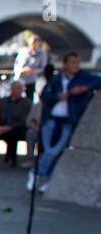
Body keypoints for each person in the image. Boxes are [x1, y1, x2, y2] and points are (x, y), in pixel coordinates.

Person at [29, 51, 101, 191]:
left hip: (68, 121)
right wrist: (58, 96)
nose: (75, 65)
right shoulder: (56, 79)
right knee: (48, 150)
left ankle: (39, 174)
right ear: (65, 64)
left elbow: (98, 80)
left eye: (77, 63)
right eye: (72, 63)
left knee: (57, 151)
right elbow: (44, 96)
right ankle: (40, 175)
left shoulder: (83, 77)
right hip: (51, 120)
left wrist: (84, 88)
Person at [0, 80, 31, 167]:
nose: (20, 90)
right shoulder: (2, 102)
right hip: (1, 126)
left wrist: (9, 127)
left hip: (16, 128)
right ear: (11, 89)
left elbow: (24, 120)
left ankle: (12, 158)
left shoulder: (26, 103)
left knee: (13, 134)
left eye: (21, 88)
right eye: (18, 88)